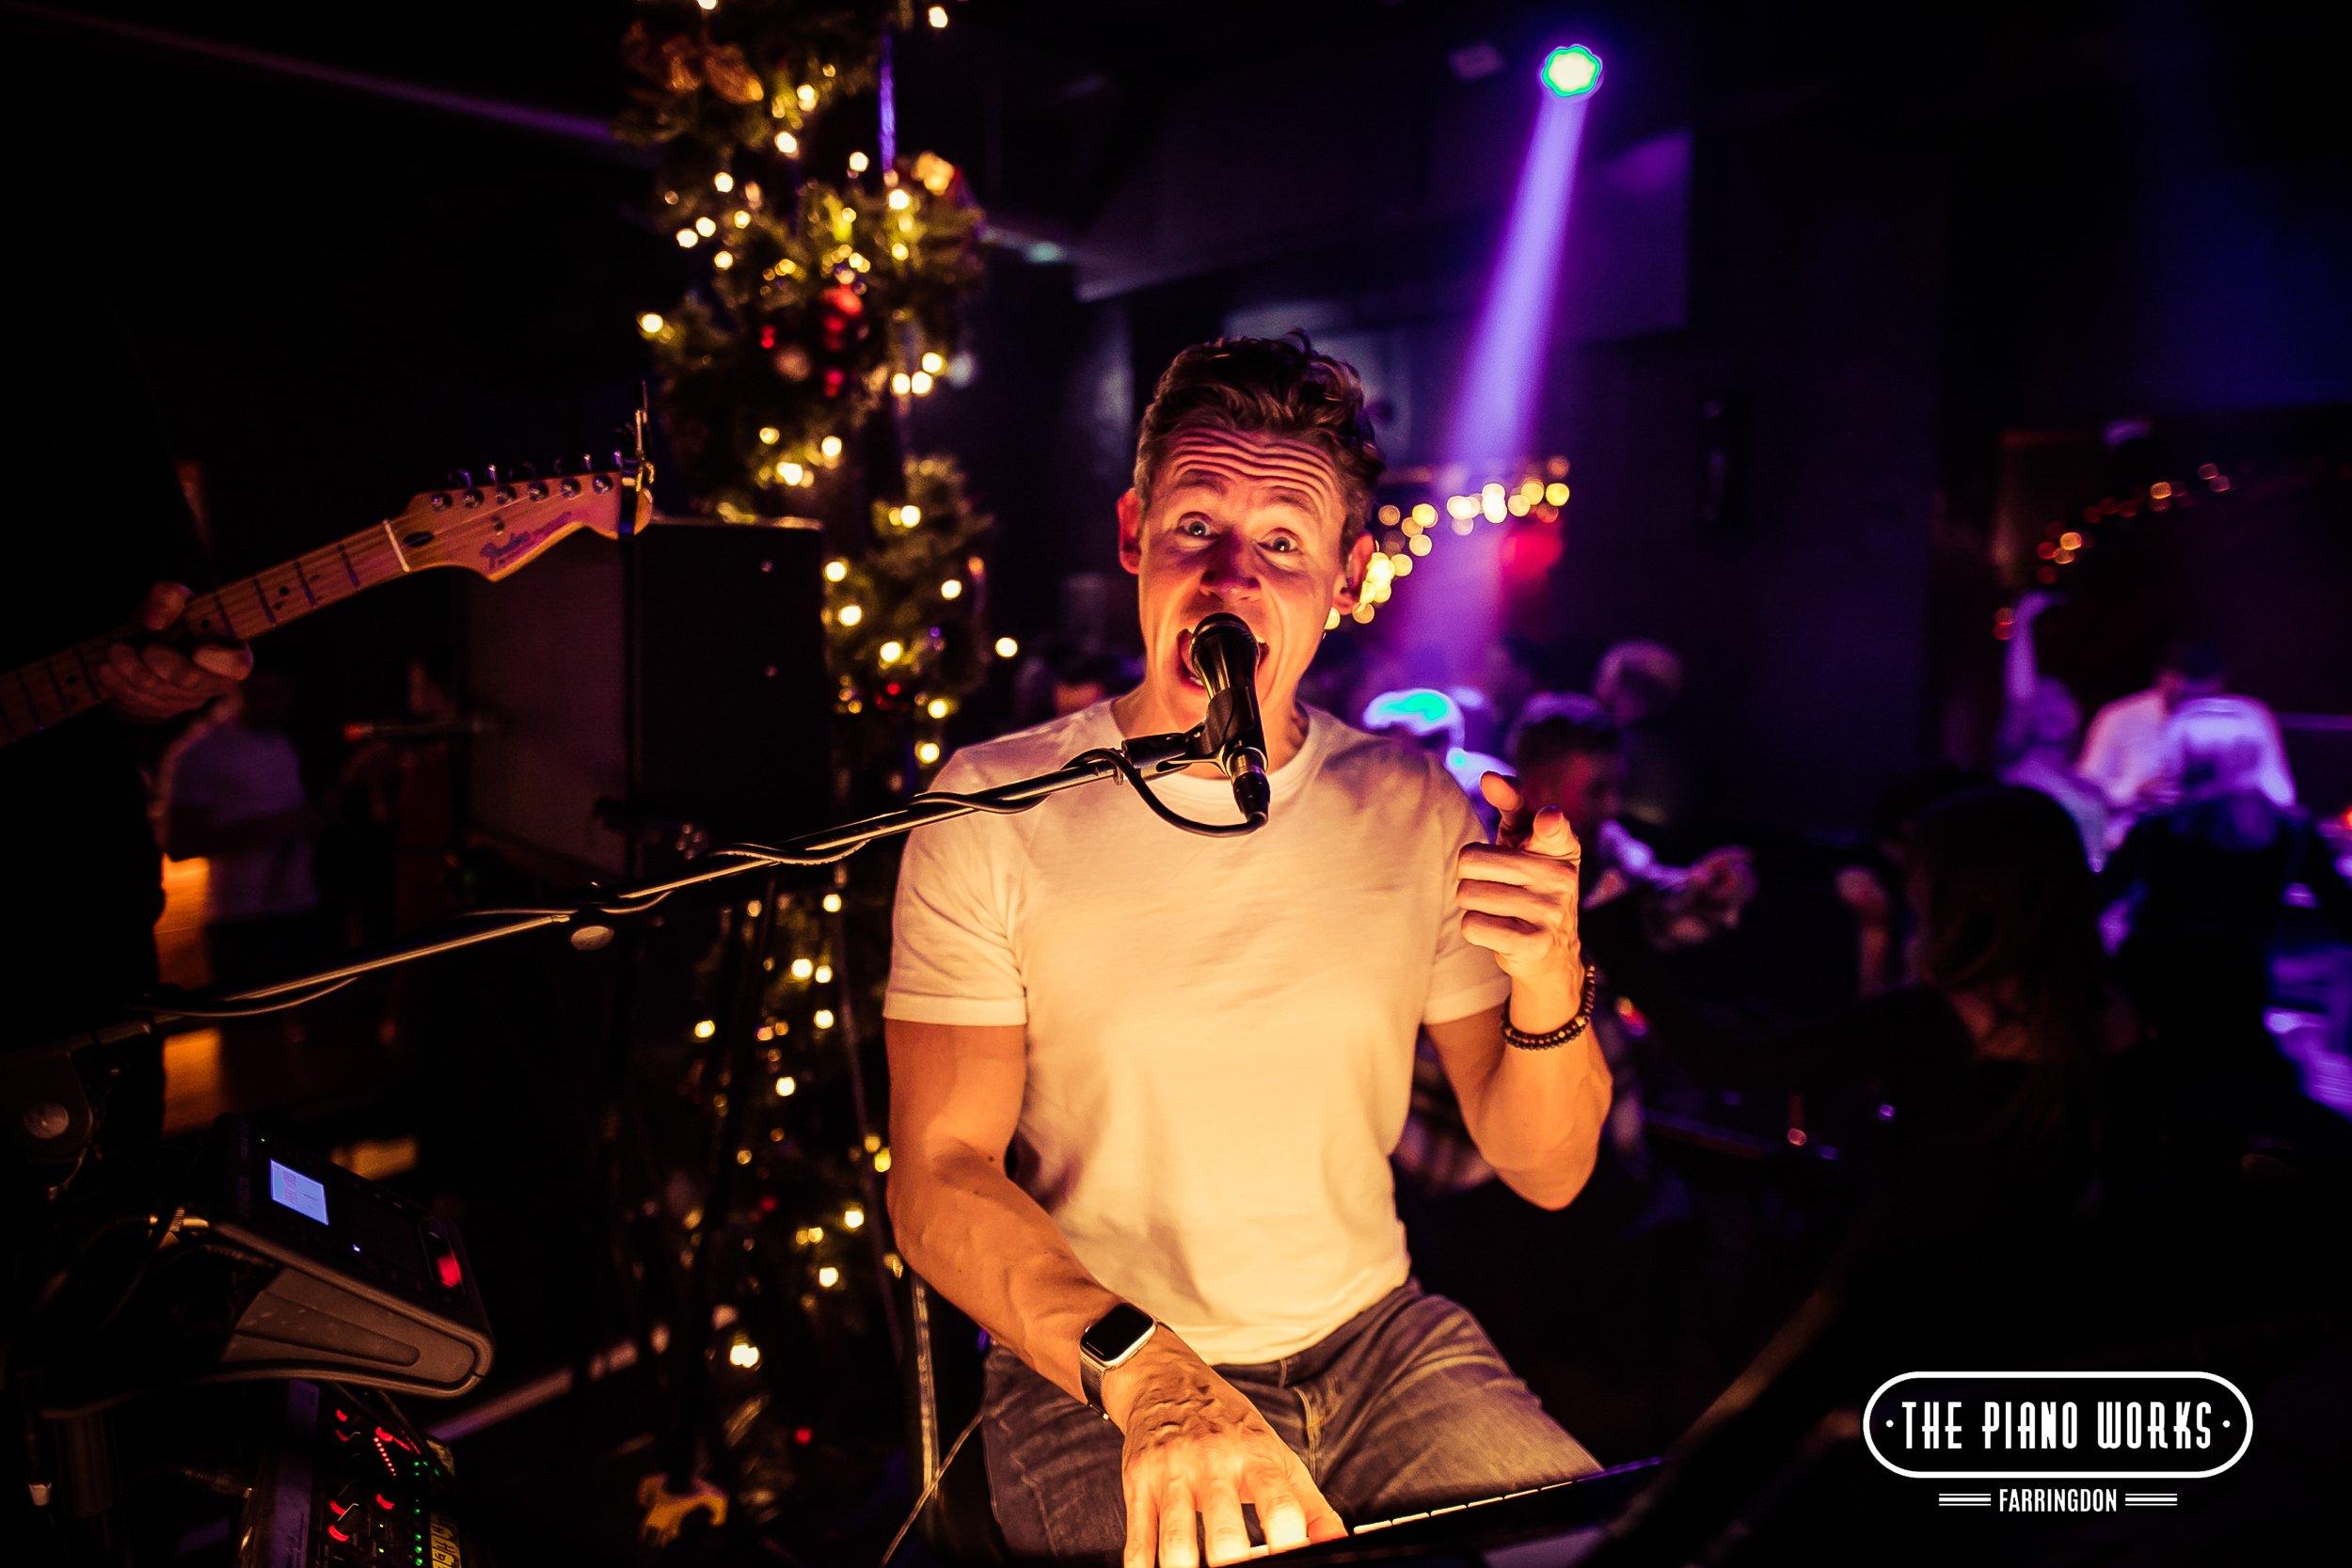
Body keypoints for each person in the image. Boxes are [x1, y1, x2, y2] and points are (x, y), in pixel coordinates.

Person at [883, 335, 1608, 1568]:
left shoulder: (1417, 805)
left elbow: (1547, 1168)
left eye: (1282, 541)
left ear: (1347, 574)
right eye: (1195, 526)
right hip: (1101, 1363)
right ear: (1133, 533)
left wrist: (1550, 980)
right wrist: (1146, 1369)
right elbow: (939, 1171)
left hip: (1380, 1341)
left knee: (1608, 1542)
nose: (1231, 576)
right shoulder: (994, 805)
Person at [2101, 696, 2352, 1086]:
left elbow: (2097, 898)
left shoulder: (2157, 827)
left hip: (2151, 984)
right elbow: (2343, 914)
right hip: (2236, 986)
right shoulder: (2293, 831)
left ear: (2185, 756)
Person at [158, 667, 323, 987]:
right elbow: (179, 843)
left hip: (299, 904)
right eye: (263, 693)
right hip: (240, 916)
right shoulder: (201, 750)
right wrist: (279, 827)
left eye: (281, 693)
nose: (275, 703)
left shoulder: (279, 739)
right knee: (251, 1029)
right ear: (236, 685)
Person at [2077, 637, 2294, 832]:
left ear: (2219, 682)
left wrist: (2225, 791)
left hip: (2223, 844)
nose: (2185, 689)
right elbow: (2084, 790)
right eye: (2177, 681)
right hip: (2134, 839)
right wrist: (2136, 791)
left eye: (2198, 685)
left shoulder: (2249, 716)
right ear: (2160, 678)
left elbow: (2282, 794)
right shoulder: (2119, 715)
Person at [1994, 591, 2109, 863]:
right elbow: (2020, 698)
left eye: (2058, 699)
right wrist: (2022, 622)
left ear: (2077, 711)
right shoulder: (2019, 759)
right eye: (2040, 702)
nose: (2050, 709)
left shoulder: (2082, 777)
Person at [1594, 640, 1696, 852]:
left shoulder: (1627, 749)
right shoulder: (1672, 746)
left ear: (1629, 690)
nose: (1598, 688)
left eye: (1604, 678)